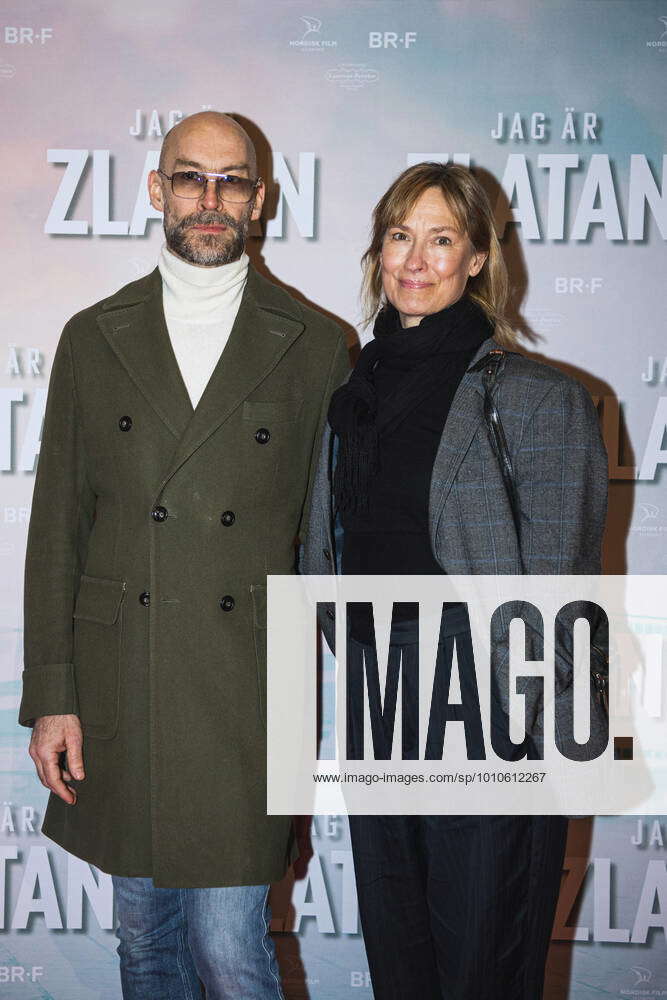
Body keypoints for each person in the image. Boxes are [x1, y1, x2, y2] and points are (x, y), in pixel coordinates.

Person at [20, 111, 349, 999]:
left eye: (231, 180)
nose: (210, 198)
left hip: (248, 684)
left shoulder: (316, 344)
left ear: (259, 198)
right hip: (125, 672)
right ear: (157, 190)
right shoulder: (95, 334)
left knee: (231, 953)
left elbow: (335, 533)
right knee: (145, 945)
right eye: (190, 177)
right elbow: (57, 528)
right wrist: (52, 697)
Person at [302, 162, 608, 998]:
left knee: (482, 960)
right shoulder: (352, 394)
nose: (414, 260)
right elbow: (329, 550)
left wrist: (515, 728)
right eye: (399, 235)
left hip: (482, 694)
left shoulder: (539, 400)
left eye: (440, 240)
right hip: (376, 690)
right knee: (398, 956)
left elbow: (560, 597)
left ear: (476, 259)